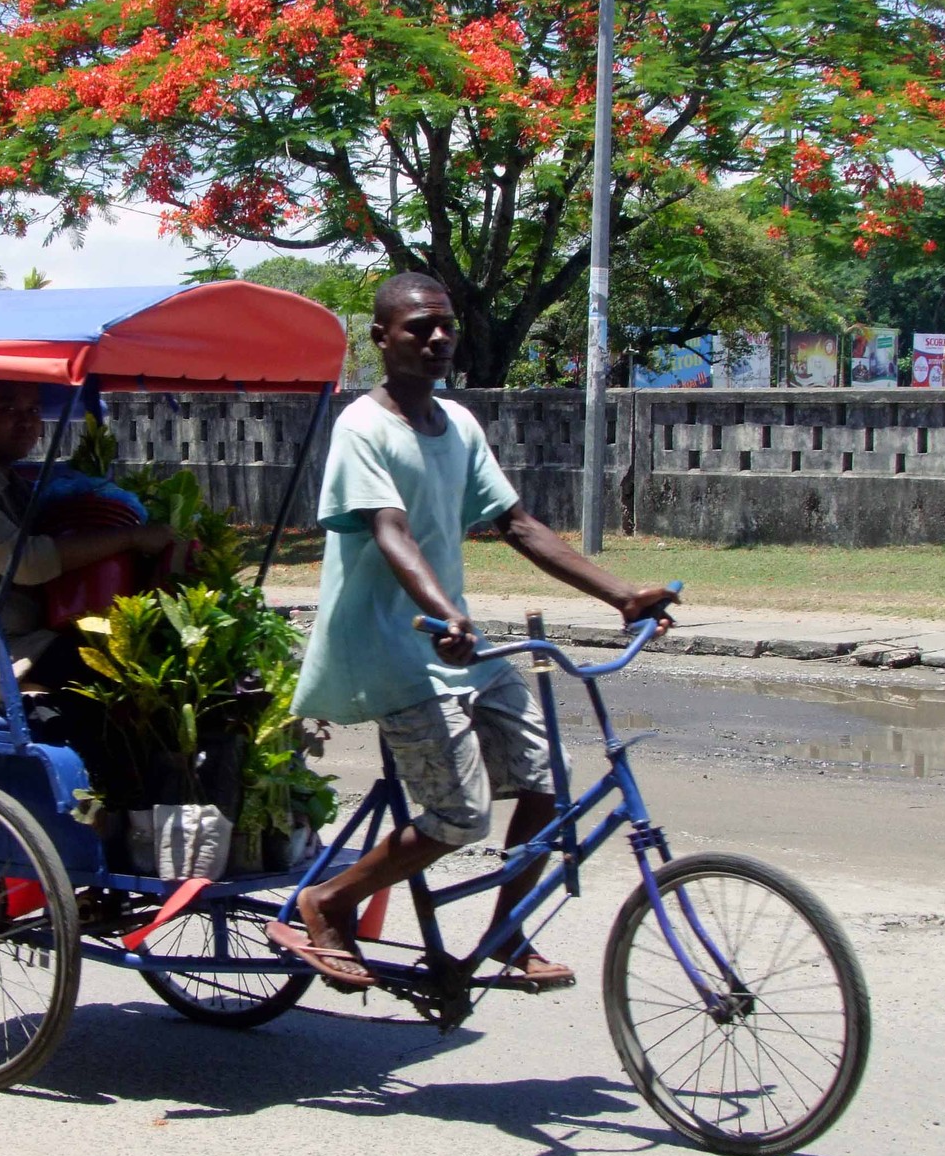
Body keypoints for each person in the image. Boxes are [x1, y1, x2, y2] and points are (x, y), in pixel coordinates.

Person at [278, 272, 676, 992]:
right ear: (381, 338)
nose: (436, 339)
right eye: (417, 328)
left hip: (458, 645)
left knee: (545, 781)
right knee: (460, 817)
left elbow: (516, 523)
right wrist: (444, 611)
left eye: (445, 327)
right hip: (387, 649)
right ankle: (328, 902)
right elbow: (389, 531)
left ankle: (507, 929)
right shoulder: (362, 426)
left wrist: (622, 595)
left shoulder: (457, 424)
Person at [0, 379, 174, 722]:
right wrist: (131, 537)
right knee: (124, 675)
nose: (25, 421)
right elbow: (26, 563)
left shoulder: (16, 487)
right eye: (7, 409)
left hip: (43, 637)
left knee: (166, 655)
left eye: (33, 411)